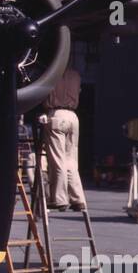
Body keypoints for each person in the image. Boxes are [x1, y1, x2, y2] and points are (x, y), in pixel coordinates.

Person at [44, 65, 86, 212]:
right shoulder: (75, 75)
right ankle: (78, 198)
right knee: (71, 160)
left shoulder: (51, 72)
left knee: (57, 160)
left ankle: (60, 199)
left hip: (56, 114)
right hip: (73, 117)